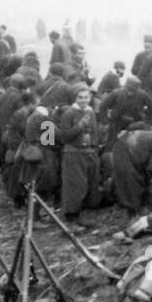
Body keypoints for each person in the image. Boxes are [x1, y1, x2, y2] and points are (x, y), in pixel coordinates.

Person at [57, 84, 103, 228]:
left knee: (89, 185)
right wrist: (80, 126)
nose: (83, 100)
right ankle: (71, 216)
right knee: (76, 185)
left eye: (86, 97)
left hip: (89, 152)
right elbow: (64, 136)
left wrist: (95, 148)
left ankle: (81, 214)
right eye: (80, 97)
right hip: (74, 153)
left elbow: (95, 132)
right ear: (75, 98)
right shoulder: (69, 113)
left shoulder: (91, 112)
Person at [101, 74, 152, 143]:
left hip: (135, 124)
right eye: (128, 89)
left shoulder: (143, 95)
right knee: (111, 143)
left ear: (137, 89)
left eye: (133, 91)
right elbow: (103, 106)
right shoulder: (116, 93)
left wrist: (145, 116)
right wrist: (105, 122)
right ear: (125, 86)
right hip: (117, 122)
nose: (130, 93)